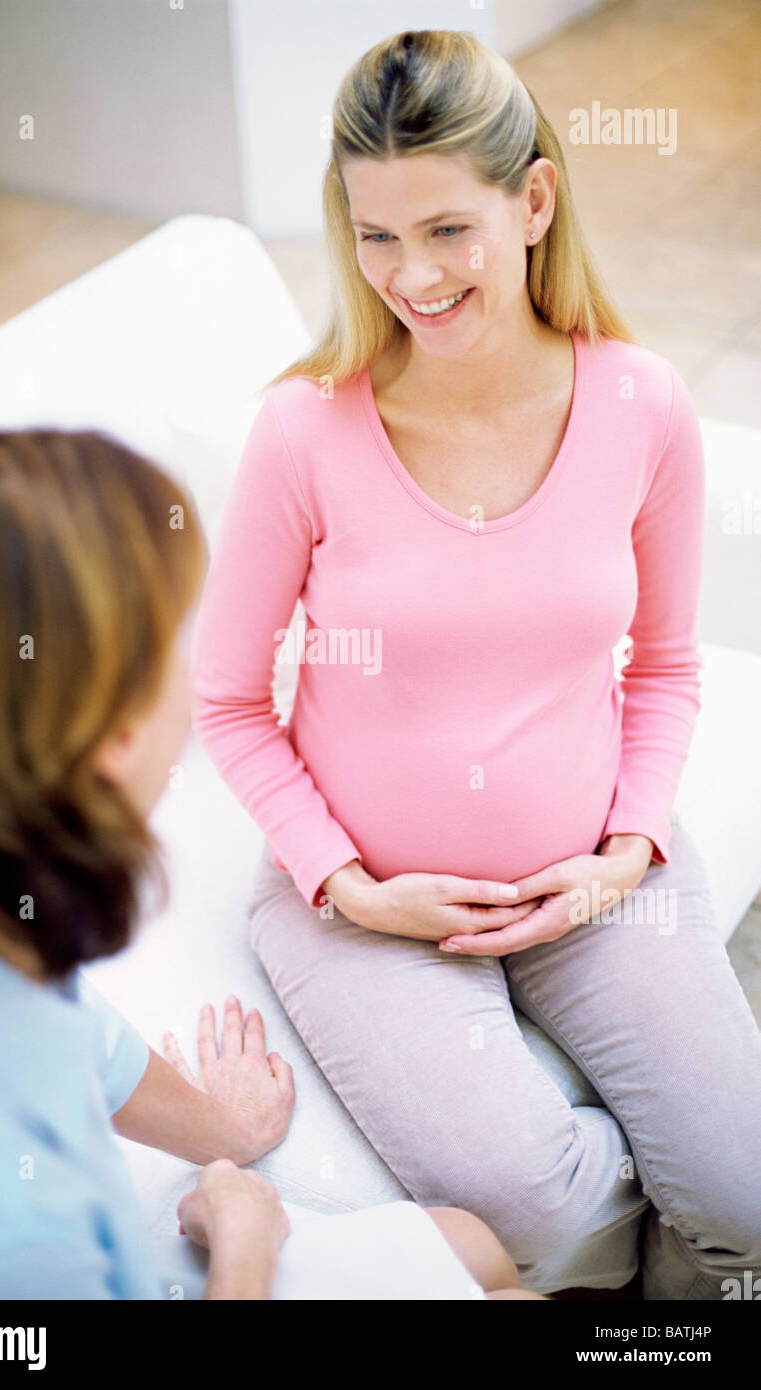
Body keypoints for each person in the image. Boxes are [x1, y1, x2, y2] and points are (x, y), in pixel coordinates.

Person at [188, 29, 761, 1298]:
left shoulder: (638, 405)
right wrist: (347, 885)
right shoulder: (304, 430)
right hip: (369, 911)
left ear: (535, 201)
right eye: (374, 236)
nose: (409, 276)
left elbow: (662, 668)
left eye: (447, 230)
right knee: (537, 1225)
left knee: (748, 1194)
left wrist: (624, 852)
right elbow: (226, 703)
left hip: (592, 879)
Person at [0, 426, 544, 1300]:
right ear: (113, 740)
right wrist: (245, 1239)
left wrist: (225, 1134)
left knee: (471, 1250)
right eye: (172, 646)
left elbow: (75, 1032)